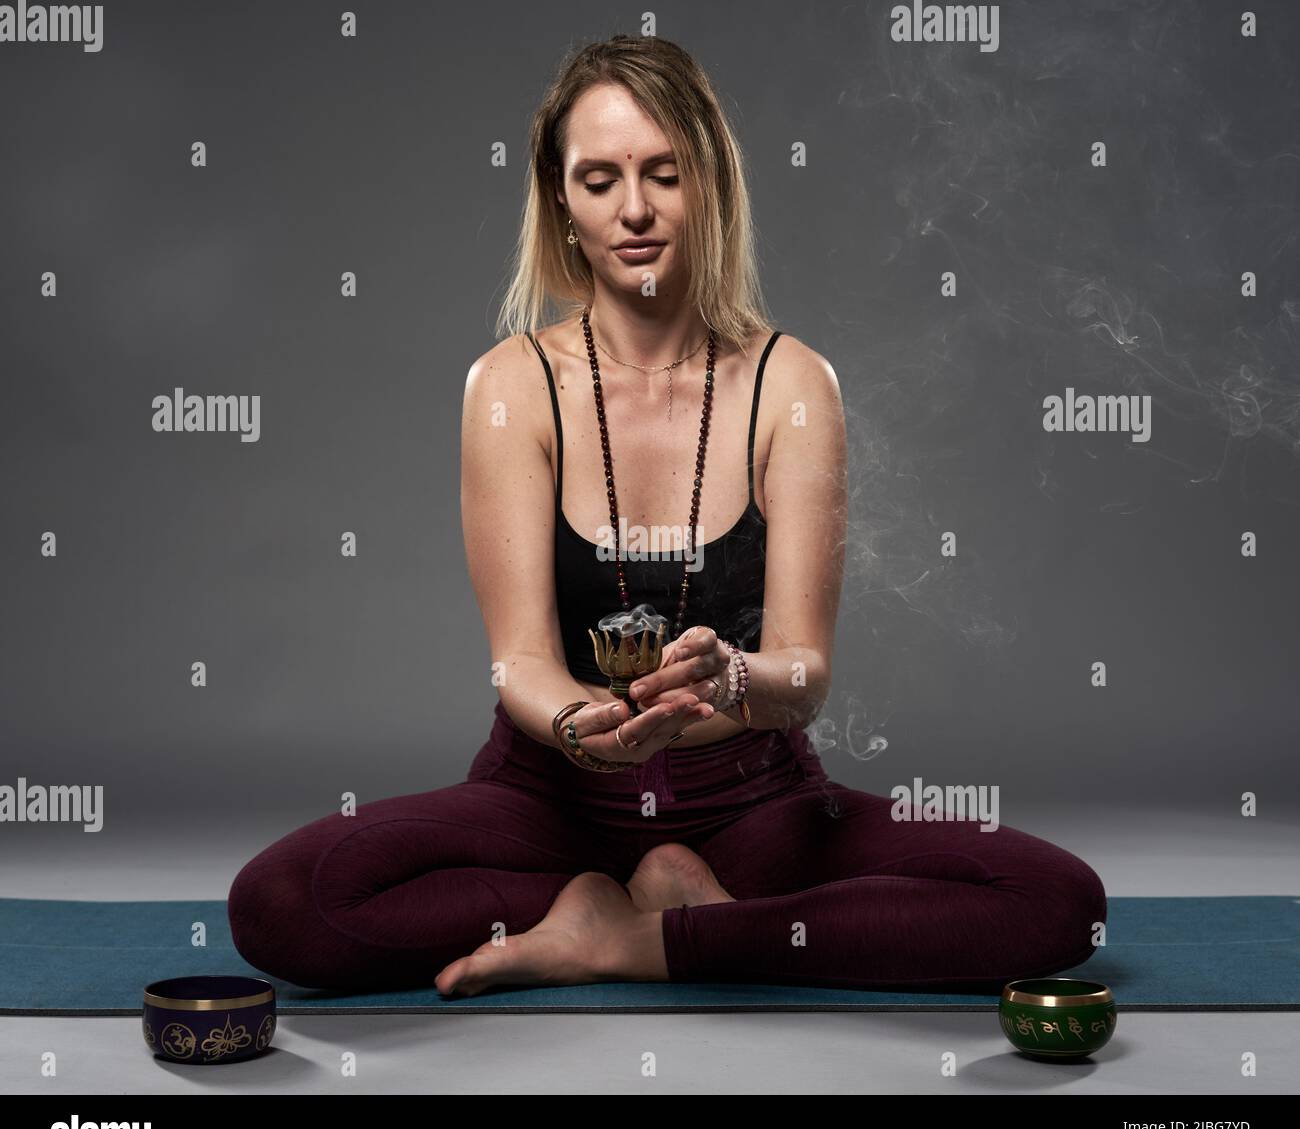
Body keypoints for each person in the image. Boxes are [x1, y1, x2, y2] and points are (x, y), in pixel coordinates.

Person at [227, 33, 1106, 998]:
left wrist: (733, 676)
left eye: (663, 173)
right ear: (561, 199)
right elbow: (519, 659)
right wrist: (577, 720)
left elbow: (803, 674)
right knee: (282, 902)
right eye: (598, 179)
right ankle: (663, 912)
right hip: (550, 801)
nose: (634, 209)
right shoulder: (509, 385)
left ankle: (624, 938)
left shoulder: (794, 384)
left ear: (711, 185)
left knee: (1057, 902)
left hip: (753, 805)